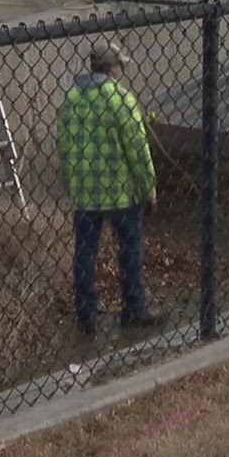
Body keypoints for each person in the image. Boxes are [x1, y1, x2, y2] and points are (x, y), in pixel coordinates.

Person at [57, 41, 162, 334]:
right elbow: (138, 151)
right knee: (129, 249)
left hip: (85, 192)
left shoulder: (72, 99)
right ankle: (134, 308)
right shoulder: (121, 99)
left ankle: (86, 313)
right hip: (119, 192)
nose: (122, 69)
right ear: (113, 67)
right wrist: (148, 189)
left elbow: (63, 147)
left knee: (85, 253)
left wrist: (72, 182)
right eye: (121, 65)